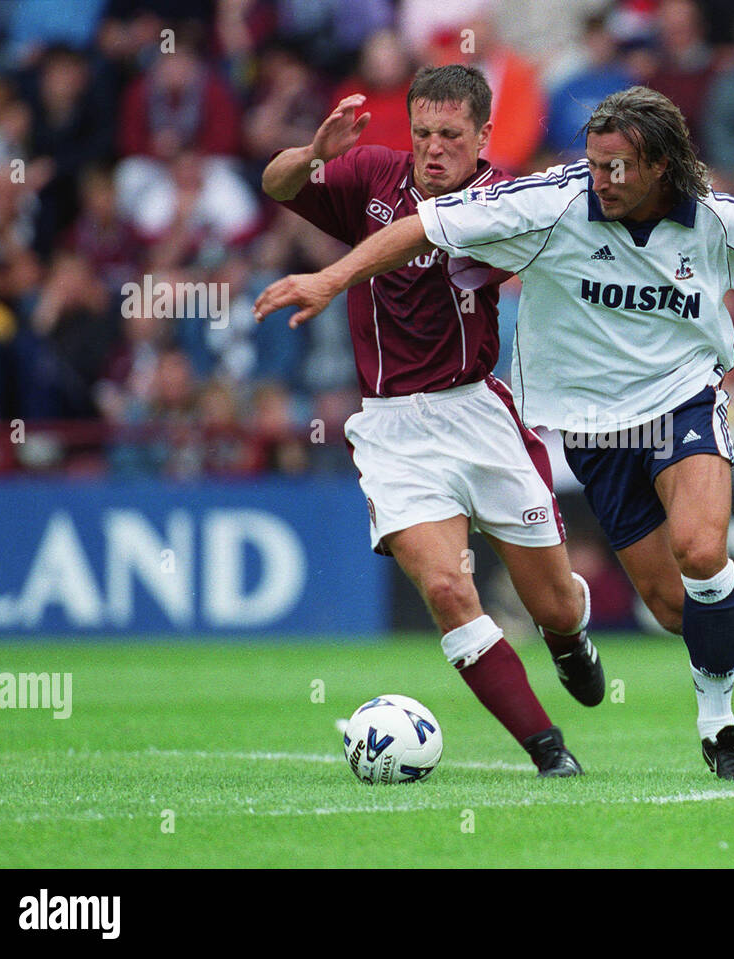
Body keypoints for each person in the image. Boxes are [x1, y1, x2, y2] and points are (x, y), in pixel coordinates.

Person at [254, 86, 734, 780]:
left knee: (703, 552)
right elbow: (424, 225)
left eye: (617, 166)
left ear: (659, 166)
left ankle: (716, 725)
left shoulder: (718, 221)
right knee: (675, 607)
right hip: (592, 428)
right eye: (595, 160)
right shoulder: (550, 203)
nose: (600, 177)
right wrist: (331, 279)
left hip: (683, 401)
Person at [260, 64, 603, 778]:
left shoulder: (504, 199)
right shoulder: (373, 177)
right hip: (392, 429)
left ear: (483, 135)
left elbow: (423, 237)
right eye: (421, 133)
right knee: (448, 590)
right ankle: (548, 752)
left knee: (556, 603)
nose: (433, 147)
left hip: (479, 413)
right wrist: (314, 156)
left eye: (450, 134)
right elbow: (275, 185)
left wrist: (331, 277)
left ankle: (570, 639)